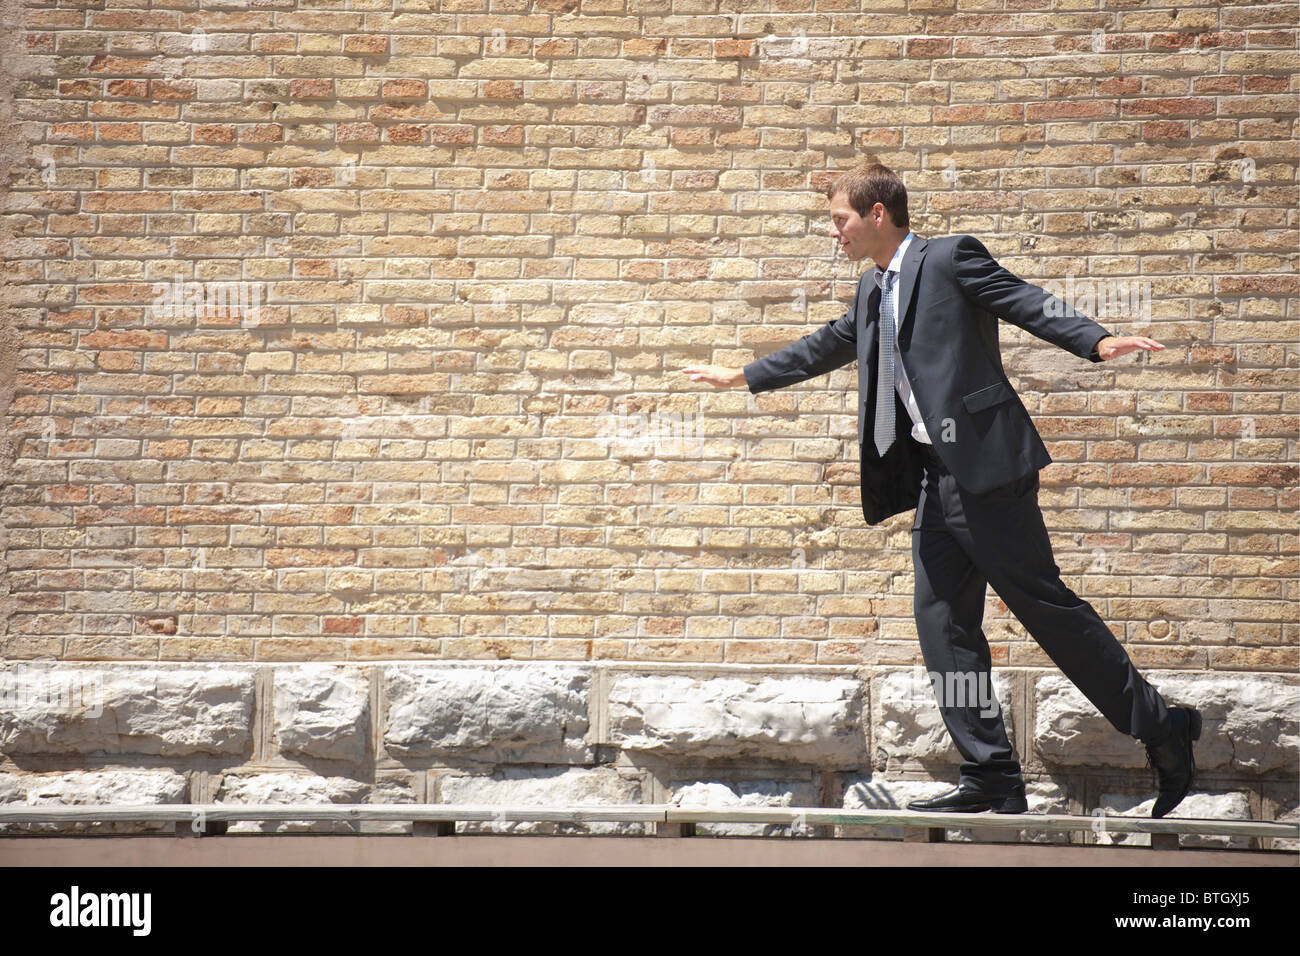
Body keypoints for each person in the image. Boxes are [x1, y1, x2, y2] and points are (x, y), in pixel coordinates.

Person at [682, 162, 1202, 818]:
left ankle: (1162, 727)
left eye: (839, 219)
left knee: (1047, 611)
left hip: (989, 471)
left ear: (877, 214)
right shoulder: (873, 291)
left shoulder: (950, 258)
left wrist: (1094, 340)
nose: (833, 232)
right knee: (943, 626)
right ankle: (991, 773)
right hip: (934, 479)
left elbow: (1022, 298)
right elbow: (827, 346)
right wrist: (743, 376)